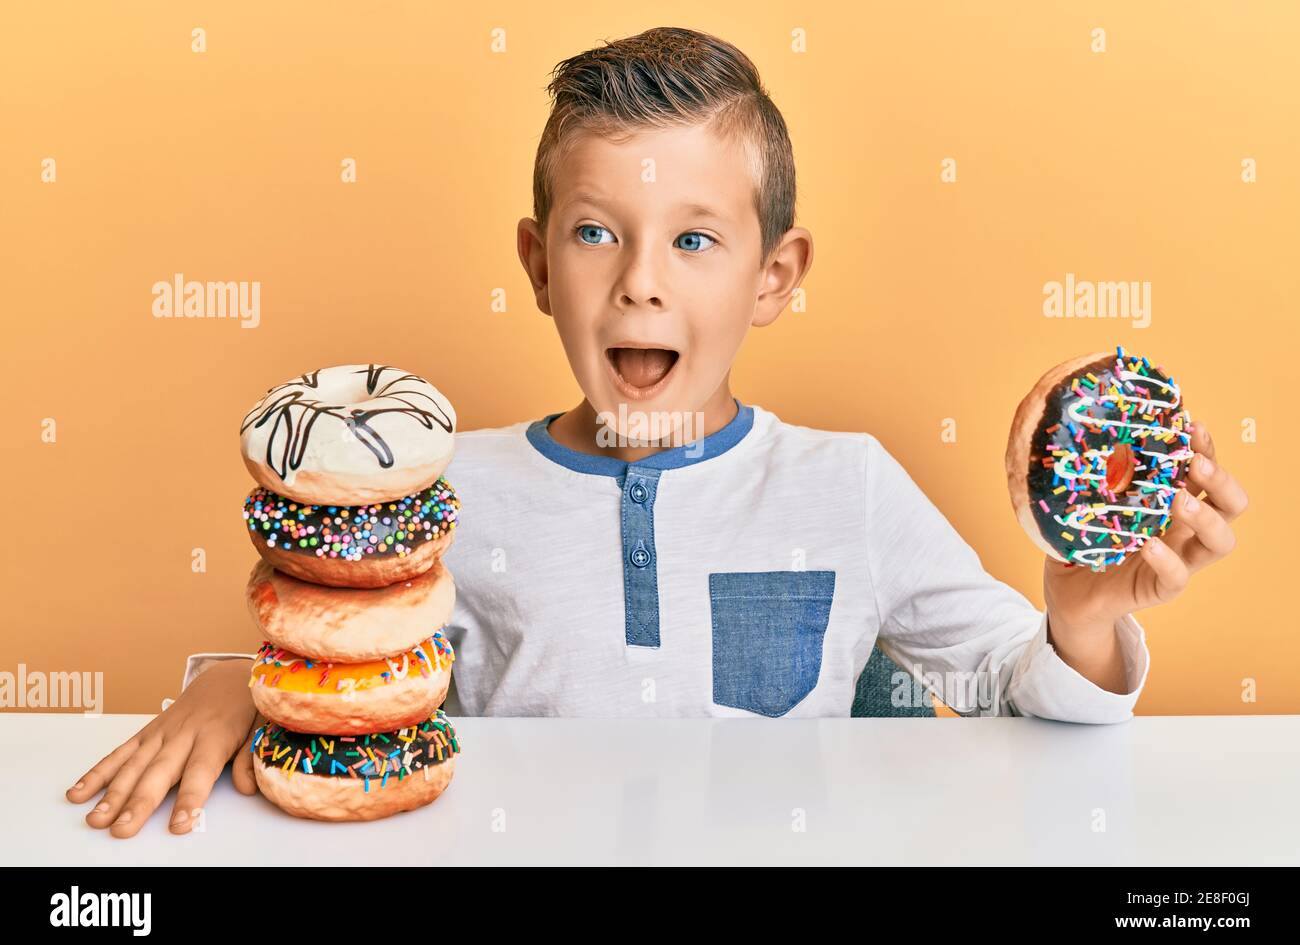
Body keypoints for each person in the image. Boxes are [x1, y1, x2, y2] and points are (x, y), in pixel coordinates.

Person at [67, 26, 1247, 838]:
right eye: (594, 234)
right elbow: (347, 689)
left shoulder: (848, 487)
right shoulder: (438, 493)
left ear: (775, 275)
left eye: (693, 239)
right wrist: (244, 684)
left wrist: (1084, 613)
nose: (638, 284)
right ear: (536, 265)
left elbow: (1020, 693)